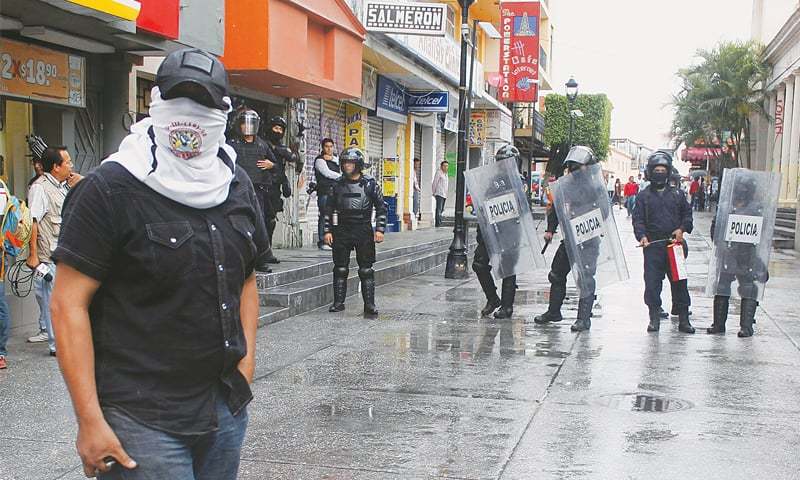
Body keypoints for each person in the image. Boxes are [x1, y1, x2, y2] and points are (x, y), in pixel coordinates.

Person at [50, 48, 268, 479]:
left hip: (222, 409)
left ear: (223, 112)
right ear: (155, 101)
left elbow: (245, 280)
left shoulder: (235, 183)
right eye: (179, 100)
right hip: (140, 416)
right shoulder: (109, 189)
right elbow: (66, 303)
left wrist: (246, 365)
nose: (190, 115)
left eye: (203, 104)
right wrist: (89, 420)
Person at [533, 146, 603, 332]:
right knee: (556, 274)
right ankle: (554, 311)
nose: (573, 170)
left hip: (588, 240)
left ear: (587, 167)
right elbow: (556, 209)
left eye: (577, 166)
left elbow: (604, 211)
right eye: (571, 166)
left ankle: (583, 319)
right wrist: (550, 229)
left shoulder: (596, 187)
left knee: (585, 279)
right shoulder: (564, 186)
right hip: (570, 239)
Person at [27, 146, 81, 357]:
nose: (71, 165)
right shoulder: (40, 188)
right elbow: (33, 221)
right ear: (56, 167)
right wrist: (32, 255)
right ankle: (55, 345)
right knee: (51, 301)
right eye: (67, 162)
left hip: (63, 255)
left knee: (62, 300)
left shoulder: (63, 186)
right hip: (47, 256)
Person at [633, 151, 695, 334]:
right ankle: (654, 317)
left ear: (667, 172)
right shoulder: (643, 196)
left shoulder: (677, 194)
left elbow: (687, 215)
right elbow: (638, 219)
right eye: (656, 170)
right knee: (652, 284)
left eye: (663, 170)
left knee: (680, 283)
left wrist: (681, 229)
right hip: (652, 246)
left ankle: (684, 319)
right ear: (651, 172)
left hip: (673, 245)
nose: (659, 172)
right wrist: (641, 236)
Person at [323, 147, 387, 316]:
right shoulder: (337, 184)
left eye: (351, 163)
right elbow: (328, 210)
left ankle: (369, 305)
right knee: (340, 268)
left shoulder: (370, 184)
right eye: (345, 163)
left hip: (363, 229)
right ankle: (338, 302)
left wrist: (380, 229)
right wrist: (327, 231)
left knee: (366, 269)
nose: (347, 166)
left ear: (358, 164)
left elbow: (381, 208)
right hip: (342, 229)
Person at [706, 174, 770, 337]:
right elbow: (716, 227)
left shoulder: (756, 209)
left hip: (746, 255)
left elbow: (761, 232)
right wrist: (721, 246)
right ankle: (718, 324)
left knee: (748, 288)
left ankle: (746, 326)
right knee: (721, 289)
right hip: (727, 254)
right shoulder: (726, 207)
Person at [472, 145, 522, 319]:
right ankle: (493, 298)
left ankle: (507, 307)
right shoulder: (492, 180)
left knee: (508, 268)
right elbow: (484, 205)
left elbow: (524, 208)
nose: (502, 165)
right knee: (479, 264)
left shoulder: (519, 182)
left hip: (509, 232)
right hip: (491, 230)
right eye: (500, 162)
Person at [228, 108, 279, 272]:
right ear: (239, 126)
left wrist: (271, 165)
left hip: (258, 190)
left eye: (250, 124)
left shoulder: (262, 144)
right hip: (236, 190)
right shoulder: (231, 144)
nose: (247, 127)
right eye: (244, 124)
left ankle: (260, 259)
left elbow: (276, 165)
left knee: (260, 223)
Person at [25, 157, 49, 344]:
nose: (37, 166)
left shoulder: (58, 186)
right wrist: (33, 253)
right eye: (35, 163)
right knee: (42, 290)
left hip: (54, 251)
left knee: (46, 290)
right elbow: (33, 220)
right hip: (43, 252)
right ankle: (45, 328)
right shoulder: (36, 186)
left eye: (40, 163)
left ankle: (47, 328)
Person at [262, 116, 293, 263]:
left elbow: (292, 157)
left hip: (275, 187)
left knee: (271, 221)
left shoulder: (280, 147)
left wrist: (284, 181)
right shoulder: (262, 144)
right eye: (276, 128)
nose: (278, 131)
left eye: (281, 129)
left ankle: (267, 250)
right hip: (261, 186)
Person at [314, 138, 341, 250]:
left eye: (331, 146)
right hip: (324, 192)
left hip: (335, 192)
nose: (329, 149)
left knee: (334, 217)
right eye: (326, 146)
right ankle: (322, 241)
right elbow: (327, 173)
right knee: (325, 216)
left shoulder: (336, 159)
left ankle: (332, 241)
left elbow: (343, 167)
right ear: (323, 147)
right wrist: (342, 177)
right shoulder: (319, 160)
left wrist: (334, 159)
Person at [432, 160, 448, 227]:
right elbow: (434, 183)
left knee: (441, 209)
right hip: (439, 193)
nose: (446, 167)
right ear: (441, 166)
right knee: (439, 209)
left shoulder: (446, 174)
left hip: (444, 194)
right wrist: (433, 192)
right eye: (444, 166)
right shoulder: (439, 173)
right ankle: (438, 224)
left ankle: (439, 222)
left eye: (447, 166)